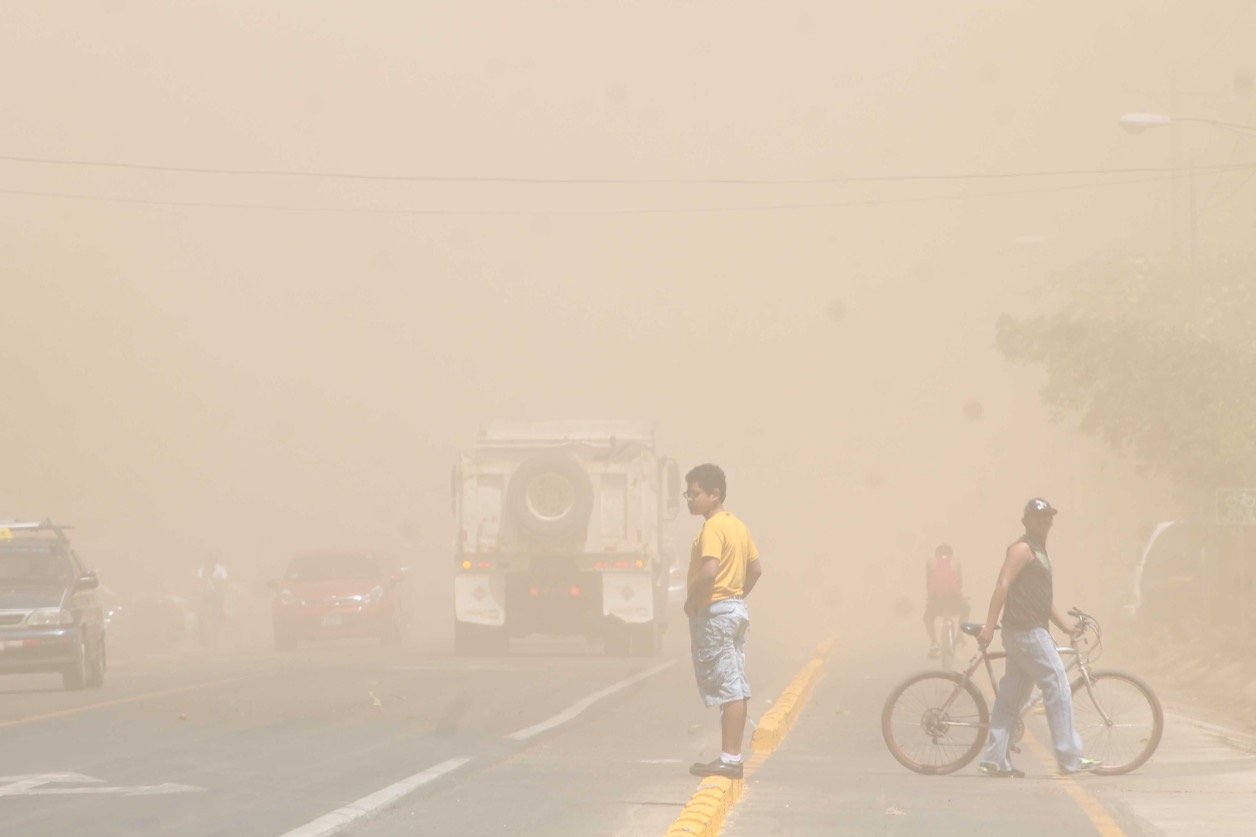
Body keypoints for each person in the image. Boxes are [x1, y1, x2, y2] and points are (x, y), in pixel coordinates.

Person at [974, 499, 1101, 777]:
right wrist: (989, 626)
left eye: (1048, 517)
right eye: (1037, 517)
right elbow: (1002, 584)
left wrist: (1065, 626)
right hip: (1027, 632)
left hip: (1024, 632)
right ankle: (1069, 758)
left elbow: (1043, 599)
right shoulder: (1022, 549)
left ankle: (994, 759)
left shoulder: (1040, 551)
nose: (1044, 521)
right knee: (1058, 686)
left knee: (1010, 699)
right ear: (1025, 521)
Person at [683, 463, 763, 781]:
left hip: (715, 613)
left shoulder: (714, 527)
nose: (690, 499)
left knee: (729, 687)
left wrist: (692, 601)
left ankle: (730, 759)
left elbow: (709, 571)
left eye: (695, 493)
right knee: (735, 683)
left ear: (715, 494)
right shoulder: (738, 526)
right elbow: (755, 569)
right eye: (687, 494)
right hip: (733, 609)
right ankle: (730, 756)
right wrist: (735, 596)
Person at [923, 543, 970, 658]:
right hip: (953, 597)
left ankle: (934, 642)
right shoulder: (956, 562)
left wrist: (930, 598)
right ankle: (959, 636)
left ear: (936, 554)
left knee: (928, 617)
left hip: (936, 598)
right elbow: (960, 583)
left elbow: (928, 582)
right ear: (951, 554)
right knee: (966, 610)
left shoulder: (930, 562)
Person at [195, 554, 229, 651]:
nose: (210, 564)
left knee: (218, 619)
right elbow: (199, 584)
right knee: (204, 619)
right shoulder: (202, 570)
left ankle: (216, 641)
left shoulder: (221, 570)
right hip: (206, 598)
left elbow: (224, 584)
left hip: (218, 598)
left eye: (212, 562)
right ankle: (205, 642)